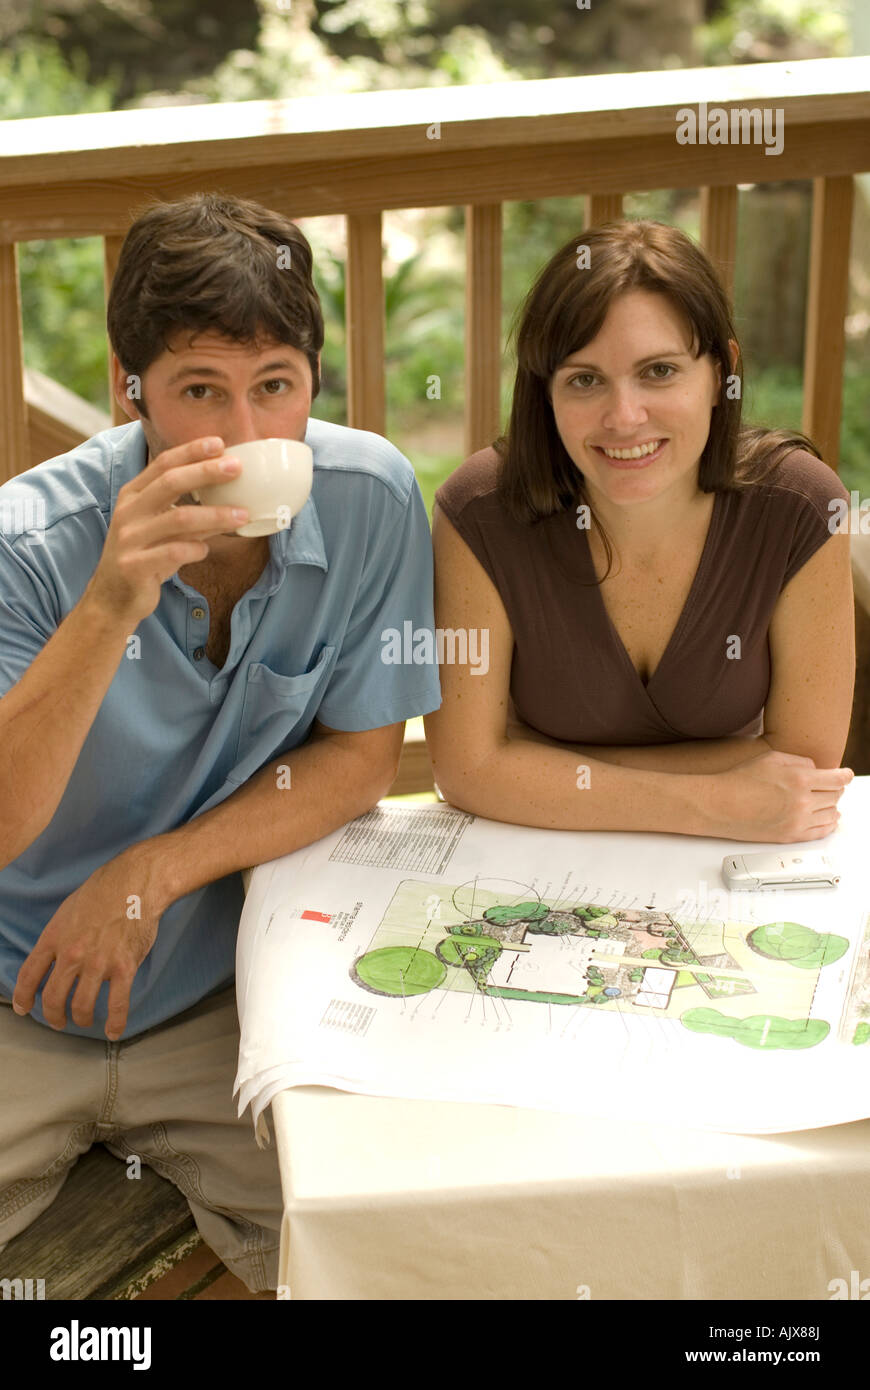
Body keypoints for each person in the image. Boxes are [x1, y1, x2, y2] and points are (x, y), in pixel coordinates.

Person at [0, 192, 440, 1292]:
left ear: (312, 386)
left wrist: (152, 874)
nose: (245, 440)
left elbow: (362, 758)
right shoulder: (28, 546)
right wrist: (109, 603)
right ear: (129, 387)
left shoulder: (373, 497)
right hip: (15, 996)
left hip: (224, 996)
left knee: (385, 1248)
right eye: (201, 392)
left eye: (275, 389)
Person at [425, 220, 854, 843]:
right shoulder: (480, 512)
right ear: (545, 393)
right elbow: (465, 770)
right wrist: (715, 802)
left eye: (659, 371)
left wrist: (530, 762)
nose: (624, 418)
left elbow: (804, 767)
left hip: (731, 866)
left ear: (720, 373)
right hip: (541, 854)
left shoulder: (803, 509)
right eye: (585, 379)